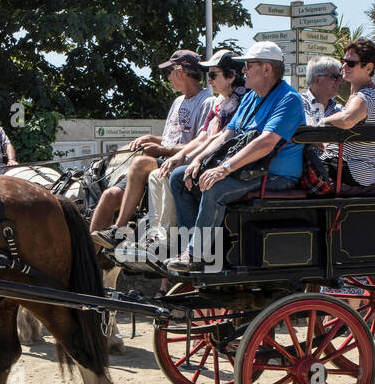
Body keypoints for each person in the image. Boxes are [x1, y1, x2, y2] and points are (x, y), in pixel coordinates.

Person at [165, 41, 305, 273]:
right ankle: (190, 247)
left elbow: (266, 142)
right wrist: (199, 159)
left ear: (267, 69)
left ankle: (196, 253)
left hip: (275, 176)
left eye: (248, 65)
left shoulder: (288, 99)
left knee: (215, 187)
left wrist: (224, 168)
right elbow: (227, 134)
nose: (243, 71)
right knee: (179, 177)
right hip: (249, 170)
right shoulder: (251, 97)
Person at [90, 50, 211, 247]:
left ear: (181, 71)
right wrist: (151, 138)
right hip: (160, 161)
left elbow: (201, 143)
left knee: (139, 163)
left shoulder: (207, 102)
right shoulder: (178, 101)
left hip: (179, 164)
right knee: (109, 195)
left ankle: (119, 231)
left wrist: (162, 151)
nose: (168, 77)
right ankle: (89, 257)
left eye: (170, 71)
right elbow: (171, 139)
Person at [141, 50, 246, 247]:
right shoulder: (220, 102)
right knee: (157, 175)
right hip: (211, 159)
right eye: (209, 76)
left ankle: (183, 245)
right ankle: (157, 237)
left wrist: (191, 159)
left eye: (213, 75)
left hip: (227, 164)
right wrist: (180, 156)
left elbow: (222, 139)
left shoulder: (240, 101)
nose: (210, 81)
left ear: (231, 76)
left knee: (176, 176)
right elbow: (204, 136)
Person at [316, 39, 375, 187]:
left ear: (369, 68)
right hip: (359, 169)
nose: (344, 66)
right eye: (343, 61)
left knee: (306, 162)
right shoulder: (363, 95)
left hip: (359, 170)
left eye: (351, 63)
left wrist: (321, 122)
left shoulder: (366, 96)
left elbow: (347, 119)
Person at [301, 57, 343, 125]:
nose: (339, 81)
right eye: (334, 77)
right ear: (317, 79)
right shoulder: (298, 103)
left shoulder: (338, 109)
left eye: (340, 77)